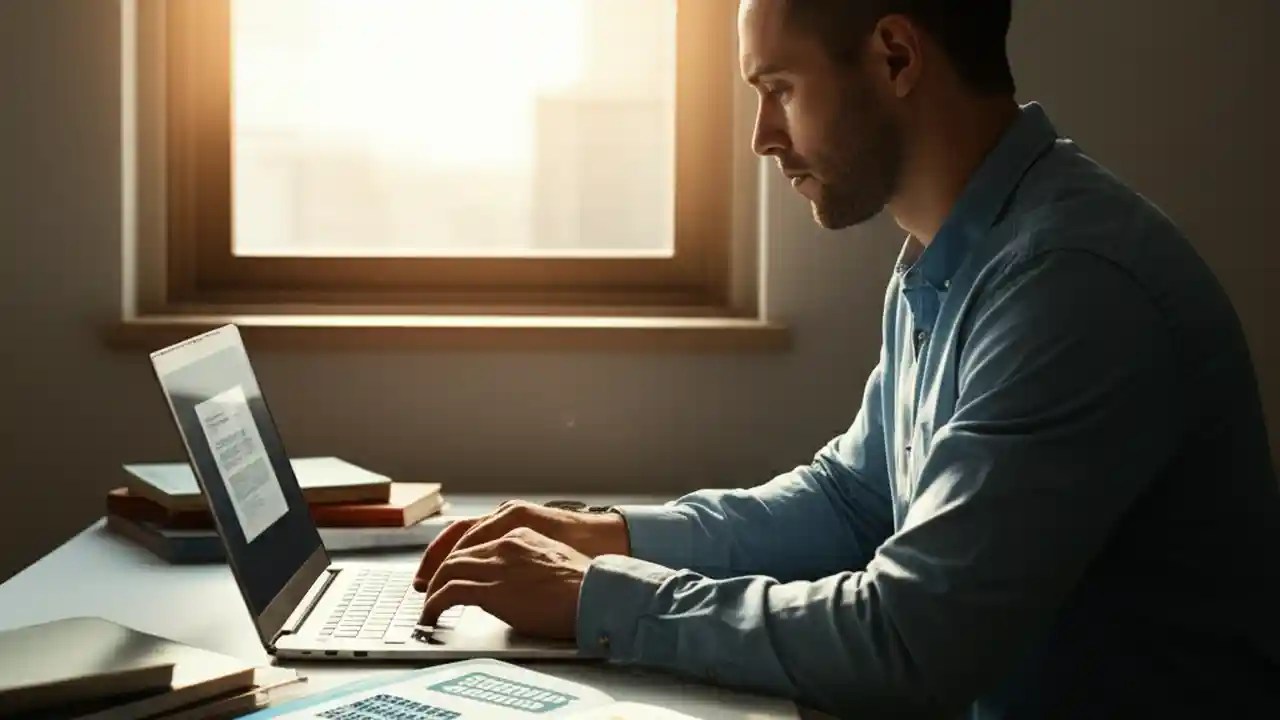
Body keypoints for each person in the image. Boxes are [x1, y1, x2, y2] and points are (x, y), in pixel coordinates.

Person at [414, 0, 1280, 716]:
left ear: (896, 57)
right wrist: (610, 535)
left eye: (779, 89)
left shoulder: (1070, 285)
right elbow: (852, 501)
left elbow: (908, 640)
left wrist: (600, 598)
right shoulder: (957, 256)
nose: (760, 136)